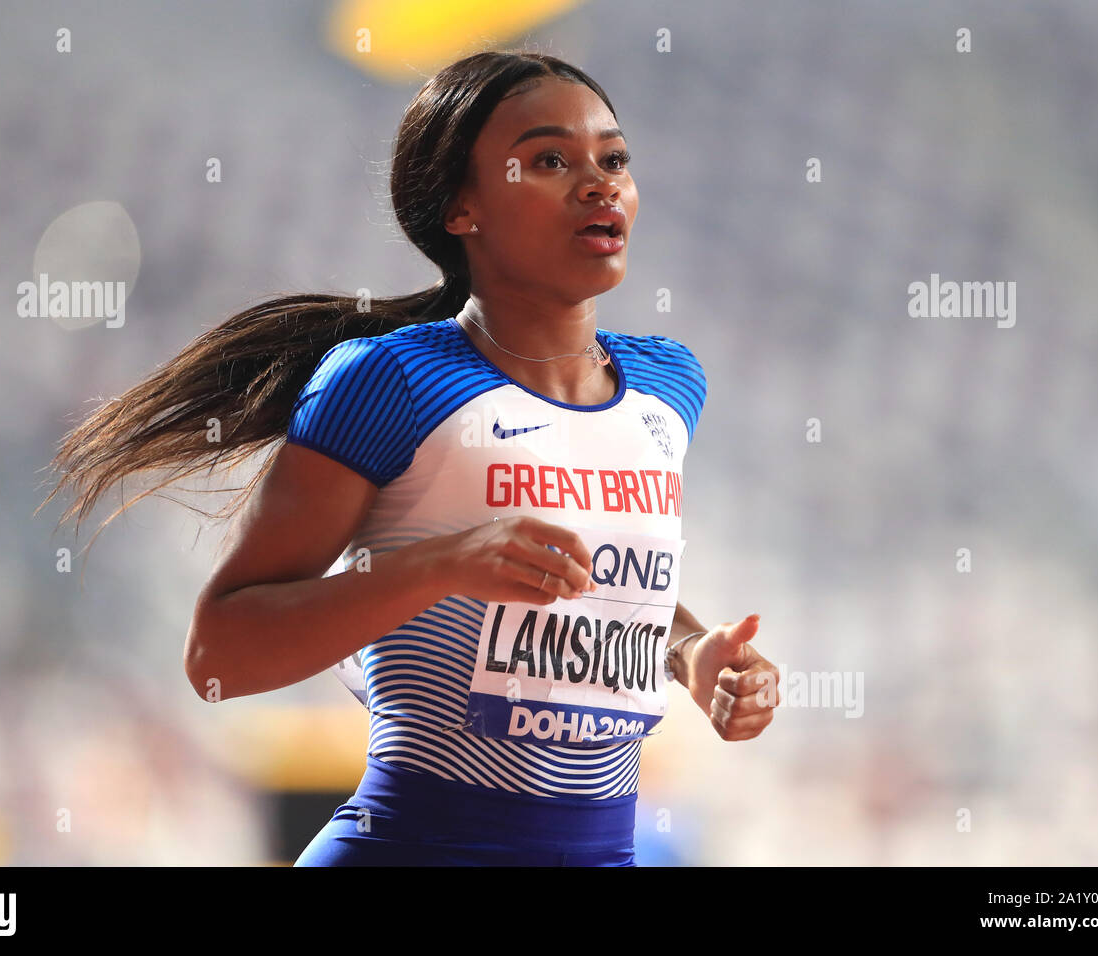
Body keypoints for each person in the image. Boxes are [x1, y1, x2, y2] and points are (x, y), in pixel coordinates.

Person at [39, 49, 779, 867]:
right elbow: (219, 656)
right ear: (462, 207)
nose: (600, 183)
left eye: (614, 159)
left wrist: (690, 652)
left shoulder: (671, 385)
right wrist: (443, 565)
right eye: (548, 160)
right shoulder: (389, 380)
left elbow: (597, 581)